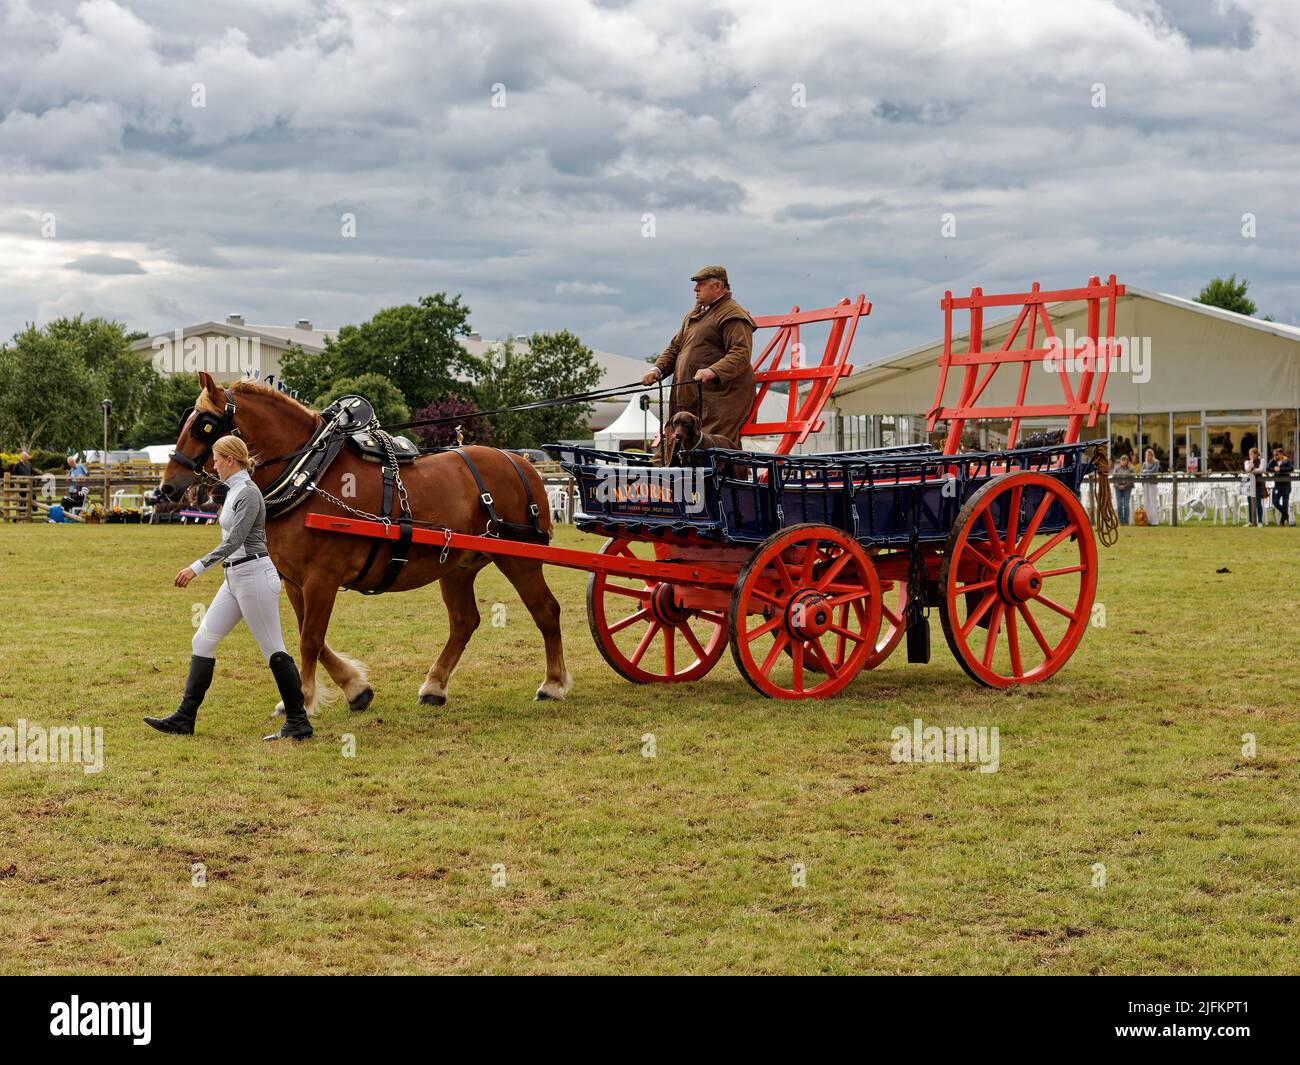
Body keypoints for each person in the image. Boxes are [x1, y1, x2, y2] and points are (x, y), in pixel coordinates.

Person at [144, 435, 312, 741]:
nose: (215, 464)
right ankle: (184, 718)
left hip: (254, 577)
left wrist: (195, 568)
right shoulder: (234, 490)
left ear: (230, 461)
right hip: (234, 578)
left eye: (218, 459)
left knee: (274, 650)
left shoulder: (248, 493)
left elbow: (234, 541)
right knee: (203, 640)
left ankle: (298, 721)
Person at [642, 265, 756, 463]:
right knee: (676, 437)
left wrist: (713, 370)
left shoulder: (732, 314)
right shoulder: (694, 315)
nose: (696, 290)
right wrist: (657, 369)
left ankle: (719, 486)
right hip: (690, 394)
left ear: (718, 286)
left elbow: (740, 353)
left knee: (709, 444)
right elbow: (674, 348)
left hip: (721, 398)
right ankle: (665, 475)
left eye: (701, 285)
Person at [1267, 445, 1293, 526]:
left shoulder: (1287, 460)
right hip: (1277, 484)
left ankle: (1282, 522)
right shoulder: (1273, 460)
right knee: (1275, 502)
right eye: (1274, 454)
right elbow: (1267, 468)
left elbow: (1291, 468)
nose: (1275, 456)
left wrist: (1280, 469)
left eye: (1277, 454)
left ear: (1281, 454)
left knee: (1285, 503)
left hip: (1286, 485)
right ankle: (1286, 514)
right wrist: (1274, 469)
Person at [1243, 446, 1266, 526]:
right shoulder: (1247, 461)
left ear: (1256, 454)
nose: (1250, 456)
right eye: (1249, 454)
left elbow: (1260, 470)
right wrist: (1251, 463)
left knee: (1258, 503)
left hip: (1258, 484)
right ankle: (1250, 521)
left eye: (1252, 454)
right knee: (1250, 503)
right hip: (1249, 485)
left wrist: (1252, 470)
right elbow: (1247, 470)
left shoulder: (1262, 460)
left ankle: (1259, 521)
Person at [1111, 453, 1136, 525]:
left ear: (1127, 461)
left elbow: (1132, 478)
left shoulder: (1131, 469)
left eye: (1125, 460)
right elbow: (1113, 478)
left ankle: (1126, 521)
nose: (1123, 462)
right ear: (1120, 461)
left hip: (1127, 488)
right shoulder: (1116, 468)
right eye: (1122, 460)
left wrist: (1125, 486)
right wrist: (1118, 485)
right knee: (1119, 504)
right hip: (1118, 488)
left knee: (1126, 504)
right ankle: (1120, 520)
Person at [1139, 447, 1161, 525]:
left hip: (1152, 483)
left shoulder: (1156, 462)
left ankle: (1154, 521)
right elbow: (1142, 473)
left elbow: (1154, 471)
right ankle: (1146, 520)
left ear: (1152, 455)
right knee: (1146, 501)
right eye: (1147, 455)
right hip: (1145, 484)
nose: (1149, 456)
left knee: (1153, 501)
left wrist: (1146, 472)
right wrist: (1144, 472)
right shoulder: (1144, 464)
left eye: (1150, 455)